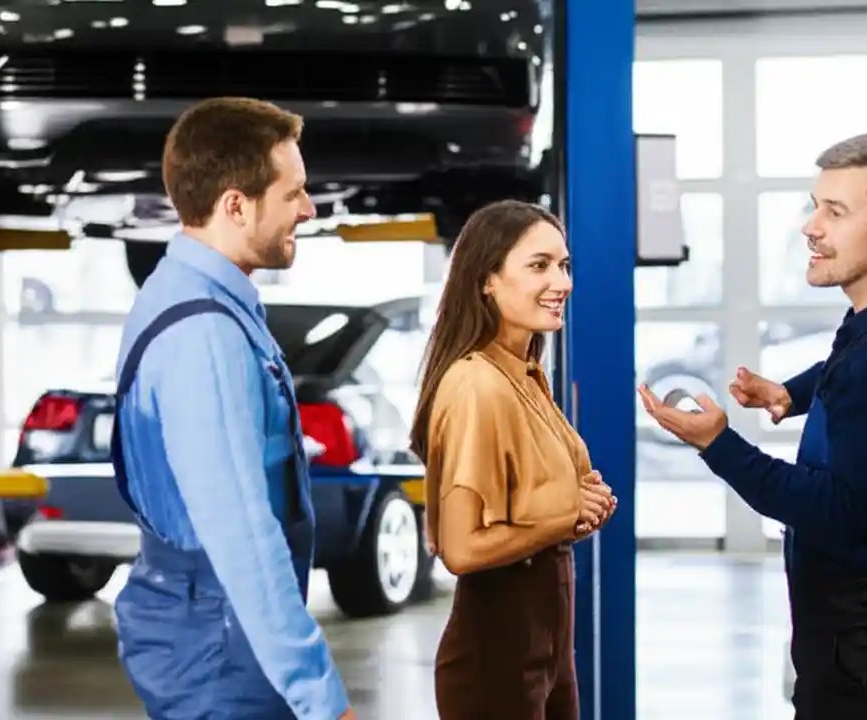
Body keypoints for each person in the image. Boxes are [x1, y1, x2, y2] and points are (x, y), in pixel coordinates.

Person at [639, 131, 867, 720]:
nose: (810, 226)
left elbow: (837, 510)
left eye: (835, 211)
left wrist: (717, 445)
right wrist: (788, 395)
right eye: (815, 204)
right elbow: (851, 370)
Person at [111, 97, 355, 720]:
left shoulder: (186, 293)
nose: (308, 208)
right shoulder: (205, 336)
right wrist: (322, 700)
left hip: (210, 628)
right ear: (236, 205)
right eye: (293, 193)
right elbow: (243, 539)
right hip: (223, 643)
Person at [409, 199, 617, 720]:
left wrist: (579, 509)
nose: (562, 282)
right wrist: (565, 514)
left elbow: (541, 509)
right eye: (539, 265)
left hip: (544, 648)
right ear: (487, 280)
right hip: (496, 655)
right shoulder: (477, 383)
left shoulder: (524, 373)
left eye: (564, 265)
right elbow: (460, 549)